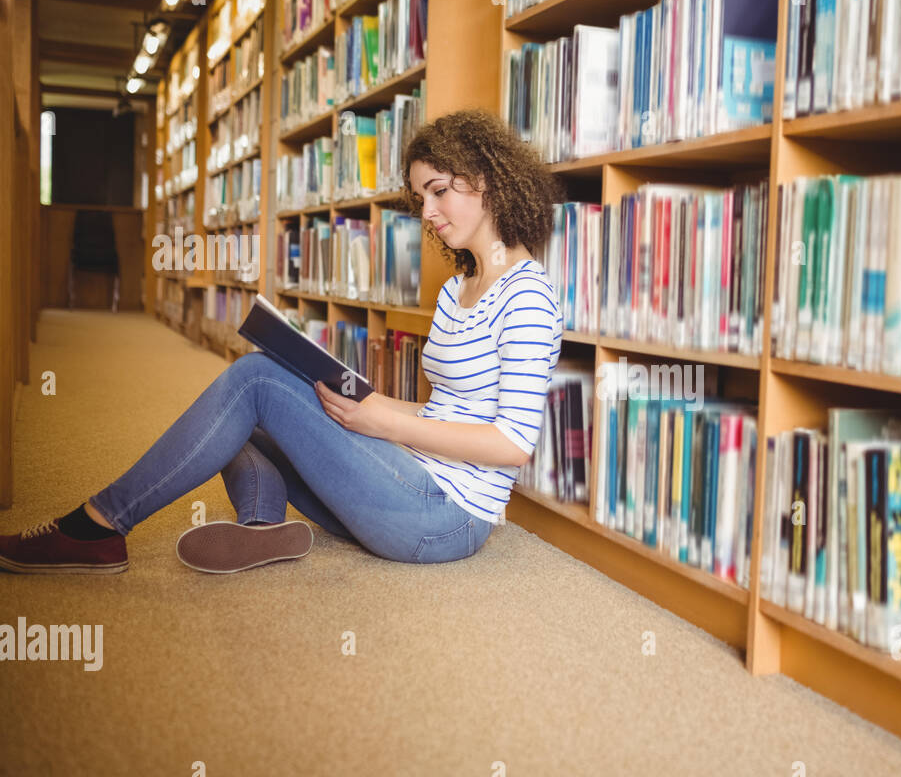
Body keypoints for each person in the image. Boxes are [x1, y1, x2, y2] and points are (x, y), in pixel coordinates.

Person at [0, 108, 565, 575]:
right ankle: (262, 524)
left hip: (444, 518)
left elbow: (513, 443)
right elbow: (447, 411)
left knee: (254, 379)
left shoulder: (527, 297)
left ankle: (98, 527)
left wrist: (379, 424)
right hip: (398, 479)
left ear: (487, 179)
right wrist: (361, 407)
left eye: (439, 191)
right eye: (421, 198)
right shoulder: (458, 289)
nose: (429, 213)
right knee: (241, 417)